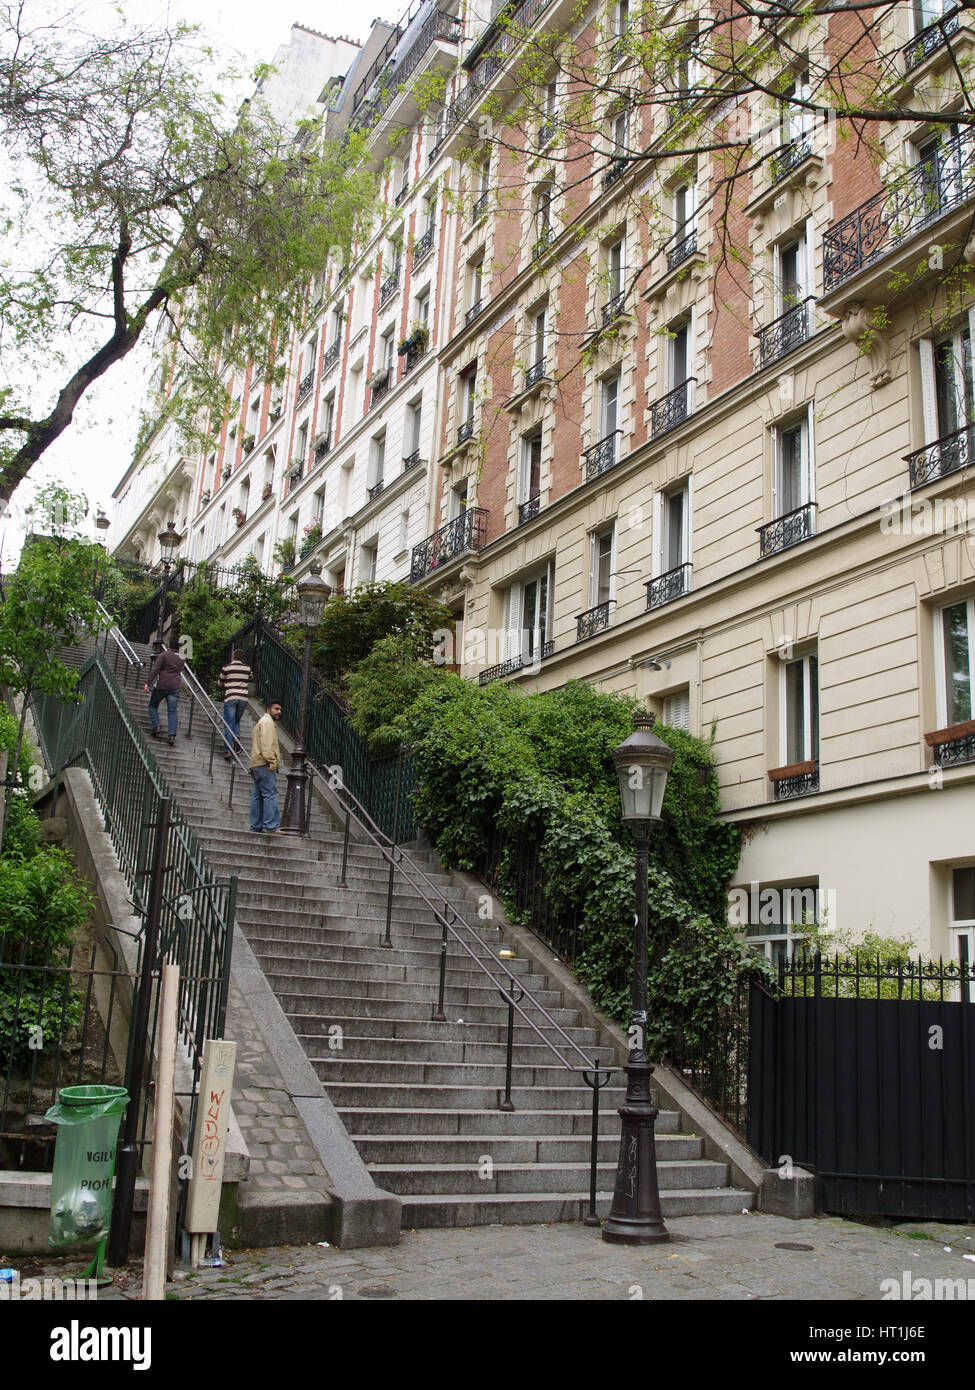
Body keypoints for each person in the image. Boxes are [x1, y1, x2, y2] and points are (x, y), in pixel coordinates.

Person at [249, 699, 283, 833]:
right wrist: (272, 760)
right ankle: (271, 825)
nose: (279, 712)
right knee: (270, 794)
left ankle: (255, 825)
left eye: (280, 709)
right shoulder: (268, 722)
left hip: (256, 763)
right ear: (268, 709)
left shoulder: (261, 722)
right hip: (264, 763)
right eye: (276, 709)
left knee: (257, 796)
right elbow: (267, 744)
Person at [144, 639, 186, 746]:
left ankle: (156, 725)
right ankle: (171, 734)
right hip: (175, 686)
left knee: (152, 706)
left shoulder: (163, 655)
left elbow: (155, 669)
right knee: (172, 711)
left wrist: (148, 683)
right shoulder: (182, 658)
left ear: (169, 645)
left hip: (162, 684)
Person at [216, 648, 253, 760]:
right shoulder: (247, 668)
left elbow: (219, 683)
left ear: (233, 657)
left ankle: (227, 749)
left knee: (229, 723)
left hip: (231, 696)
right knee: (236, 720)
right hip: (243, 698)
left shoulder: (226, 667)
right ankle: (236, 738)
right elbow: (251, 678)